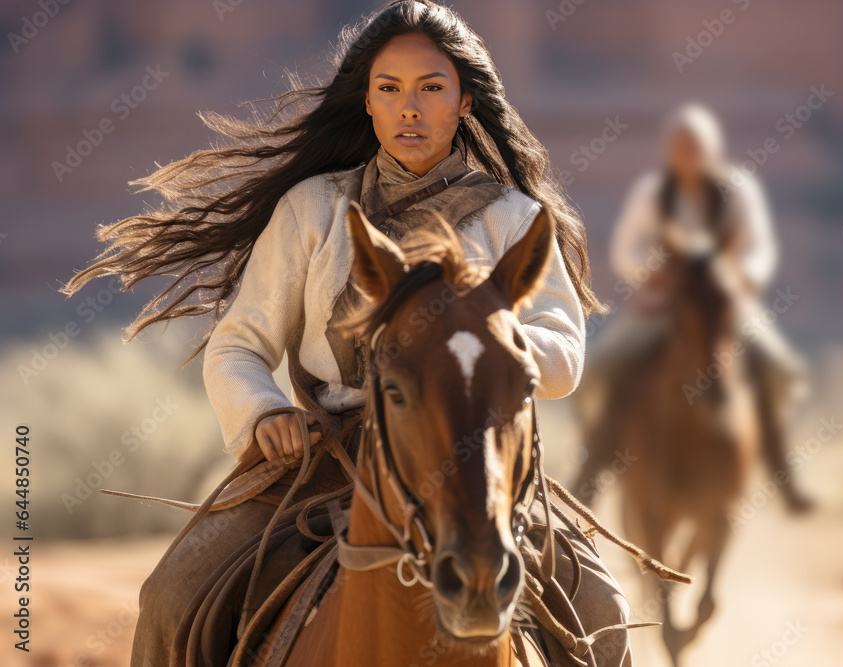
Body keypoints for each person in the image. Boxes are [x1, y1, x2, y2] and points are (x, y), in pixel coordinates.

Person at [60, 2, 638, 665]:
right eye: (389, 89)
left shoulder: (516, 220)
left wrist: (474, 352)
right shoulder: (312, 209)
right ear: (367, 102)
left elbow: (563, 352)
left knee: (605, 610)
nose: (409, 108)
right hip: (321, 462)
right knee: (172, 593)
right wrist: (264, 411)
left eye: (431, 88)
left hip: (478, 462)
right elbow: (238, 345)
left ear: (466, 102)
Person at [576, 103, 812, 512]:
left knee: (775, 370)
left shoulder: (739, 189)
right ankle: (593, 470)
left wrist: (742, 276)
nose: (689, 154)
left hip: (725, 309)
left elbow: (759, 248)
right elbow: (627, 249)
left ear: (712, 149)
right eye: (681, 147)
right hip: (663, 307)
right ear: (670, 150)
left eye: (696, 147)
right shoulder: (652, 194)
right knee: (607, 370)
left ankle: (782, 471)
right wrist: (654, 274)